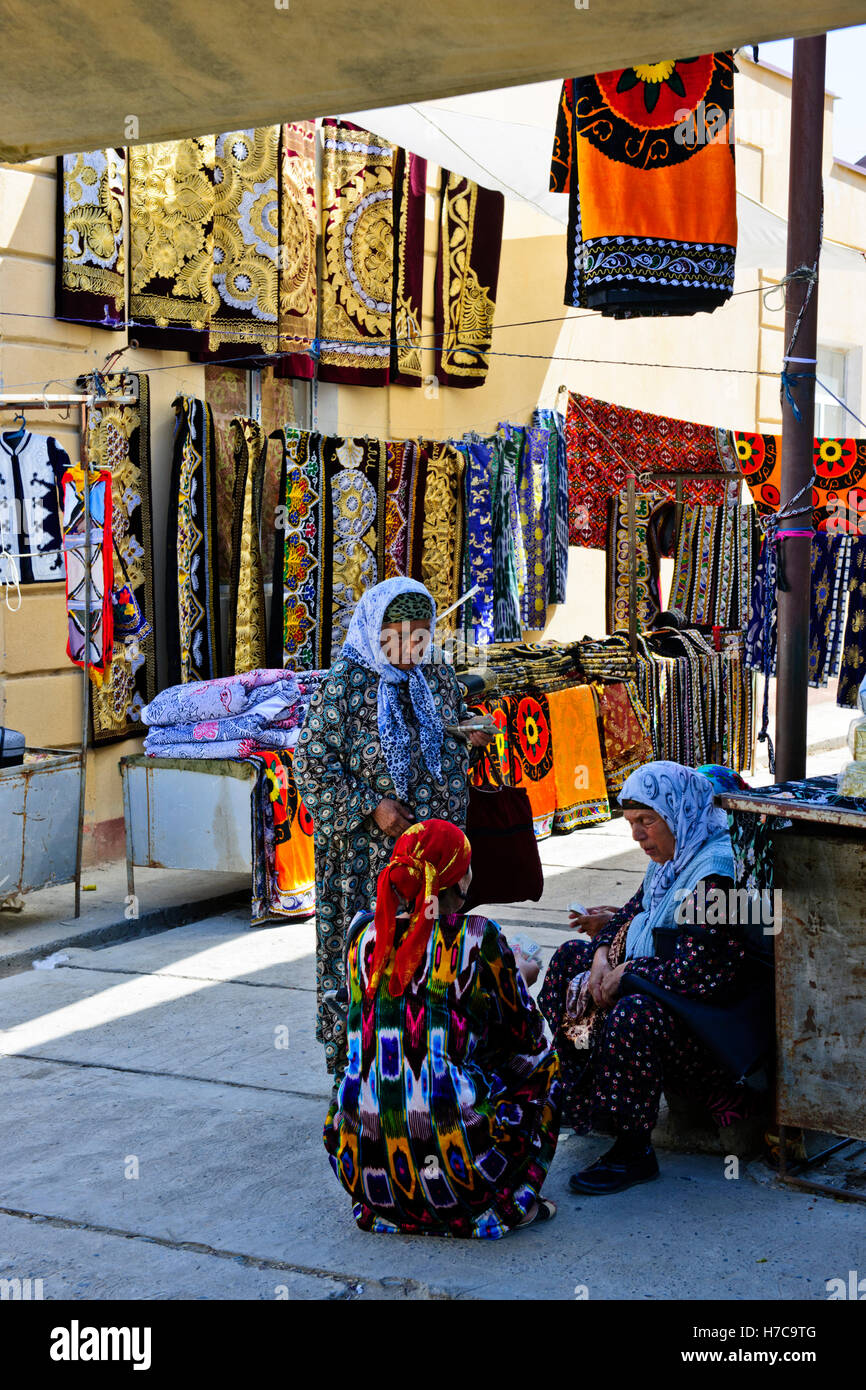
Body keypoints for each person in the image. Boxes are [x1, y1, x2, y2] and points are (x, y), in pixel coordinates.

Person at [324, 818, 561, 1237]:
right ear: (457, 879)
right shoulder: (477, 936)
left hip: (362, 1175)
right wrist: (519, 975)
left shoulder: (363, 939)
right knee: (544, 1057)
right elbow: (524, 1032)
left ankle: (397, 1203)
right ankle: (511, 1202)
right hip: (464, 1179)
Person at [293, 578, 491, 1076]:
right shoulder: (343, 687)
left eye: (422, 636)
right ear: (374, 629)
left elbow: (453, 722)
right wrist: (371, 807)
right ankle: (357, 1079)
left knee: (431, 959)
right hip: (367, 863)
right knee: (369, 958)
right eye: (399, 637)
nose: (411, 649)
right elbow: (311, 768)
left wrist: (472, 733)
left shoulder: (437, 677)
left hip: (433, 862)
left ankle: (427, 1068)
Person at [538, 761, 751, 1196]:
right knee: (567, 960)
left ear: (678, 813)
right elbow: (632, 914)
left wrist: (627, 972)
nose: (637, 835)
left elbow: (701, 973)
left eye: (647, 821)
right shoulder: (670, 858)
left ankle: (633, 1149)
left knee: (634, 1014)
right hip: (666, 989)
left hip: (707, 1027)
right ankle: (577, 1101)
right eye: (631, 822)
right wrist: (601, 956)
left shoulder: (714, 875)